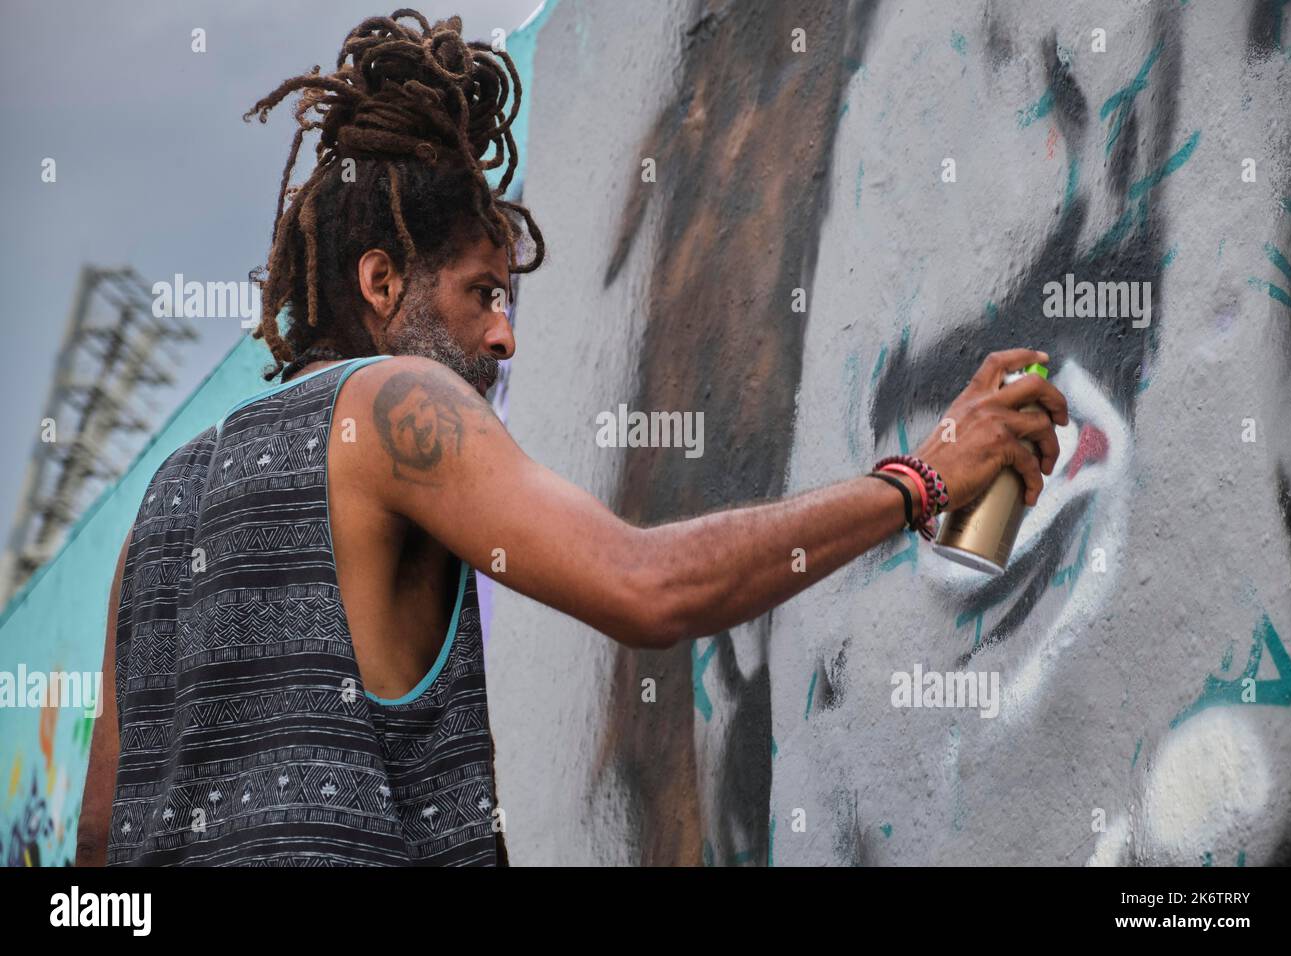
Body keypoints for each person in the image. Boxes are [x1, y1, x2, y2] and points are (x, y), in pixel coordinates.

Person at [75, 10, 1068, 866]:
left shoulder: (162, 506)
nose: (505, 333)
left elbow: (96, 844)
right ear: (382, 283)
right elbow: (647, 585)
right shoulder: (391, 406)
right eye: (481, 293)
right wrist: (918, 478)